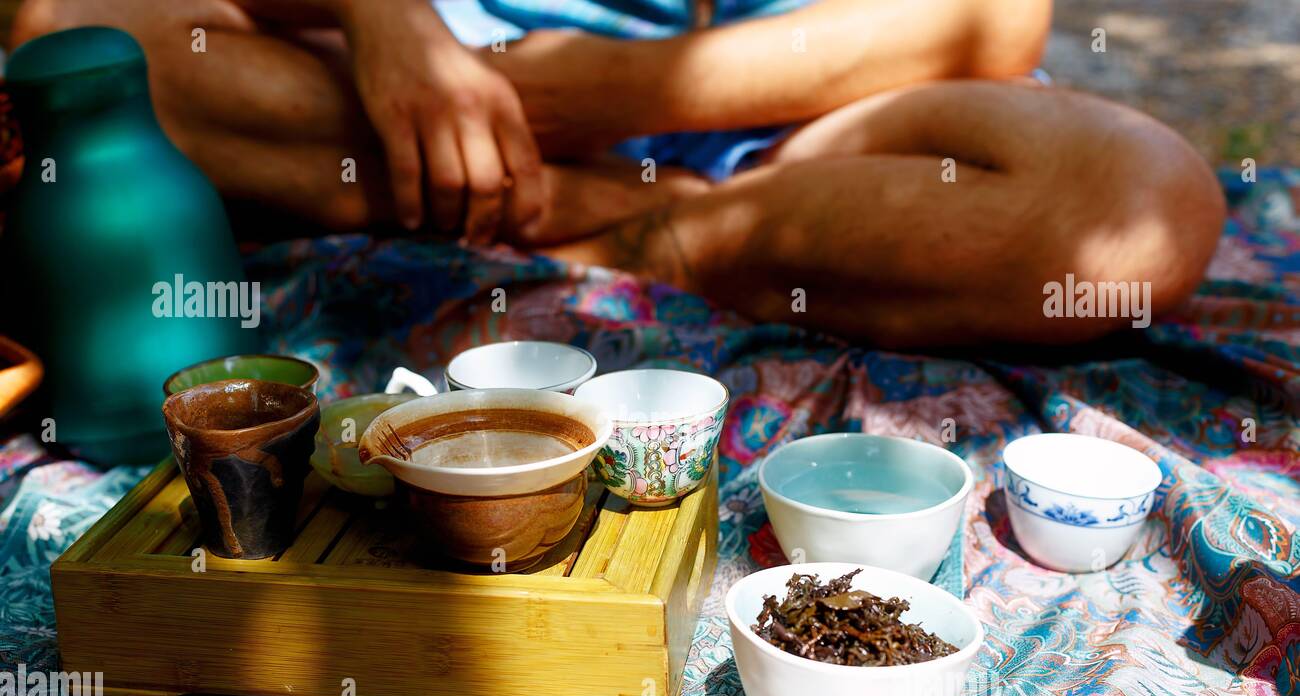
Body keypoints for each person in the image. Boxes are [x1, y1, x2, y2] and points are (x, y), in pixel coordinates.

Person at [12, 0, 1227, 346]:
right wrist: (386, 21)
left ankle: (660, 232)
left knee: (1137, 217)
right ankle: (585, 206)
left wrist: (589, 92)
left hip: (790, 116)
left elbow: (988, 19)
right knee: (83, 37)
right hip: (413, 86)